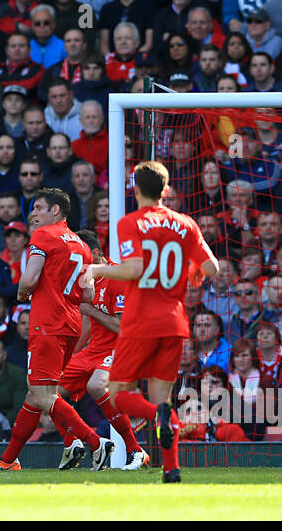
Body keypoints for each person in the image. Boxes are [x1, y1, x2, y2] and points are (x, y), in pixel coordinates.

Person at [85, 160, 218, 483]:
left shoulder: (131, 222)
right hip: (174, 322)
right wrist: (189, 274)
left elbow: (134, 268)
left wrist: (97, 270)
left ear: (135, 189)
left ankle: (156, 415)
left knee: (118, 394)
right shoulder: (186, 223)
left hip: (140, 321)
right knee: (164, 397)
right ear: (166, 190)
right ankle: (171, 470)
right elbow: (212, 267)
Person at [0, 187, 114, 471]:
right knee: (36, 395)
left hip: (47, 323)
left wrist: (23, 293)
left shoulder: (43, 236)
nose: (33, 213)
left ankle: (95, 443)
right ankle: (8, 460)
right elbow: (87, 295)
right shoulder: (82, 245)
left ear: (56, 210)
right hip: (71, 324)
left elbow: (30, 277)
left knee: (42, 394)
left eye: (39, 208)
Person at [54, 228, 146, 468]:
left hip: (122, 348)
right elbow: (87, 324)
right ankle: (79, 444)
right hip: (94, 350)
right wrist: (70, 357)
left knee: (95, 385)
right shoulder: (85, 280)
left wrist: (92, 310)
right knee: (44, 393)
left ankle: (135, 450)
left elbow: (124, 328)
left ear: (95, 253)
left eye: (82, 255)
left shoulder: (119, 279)